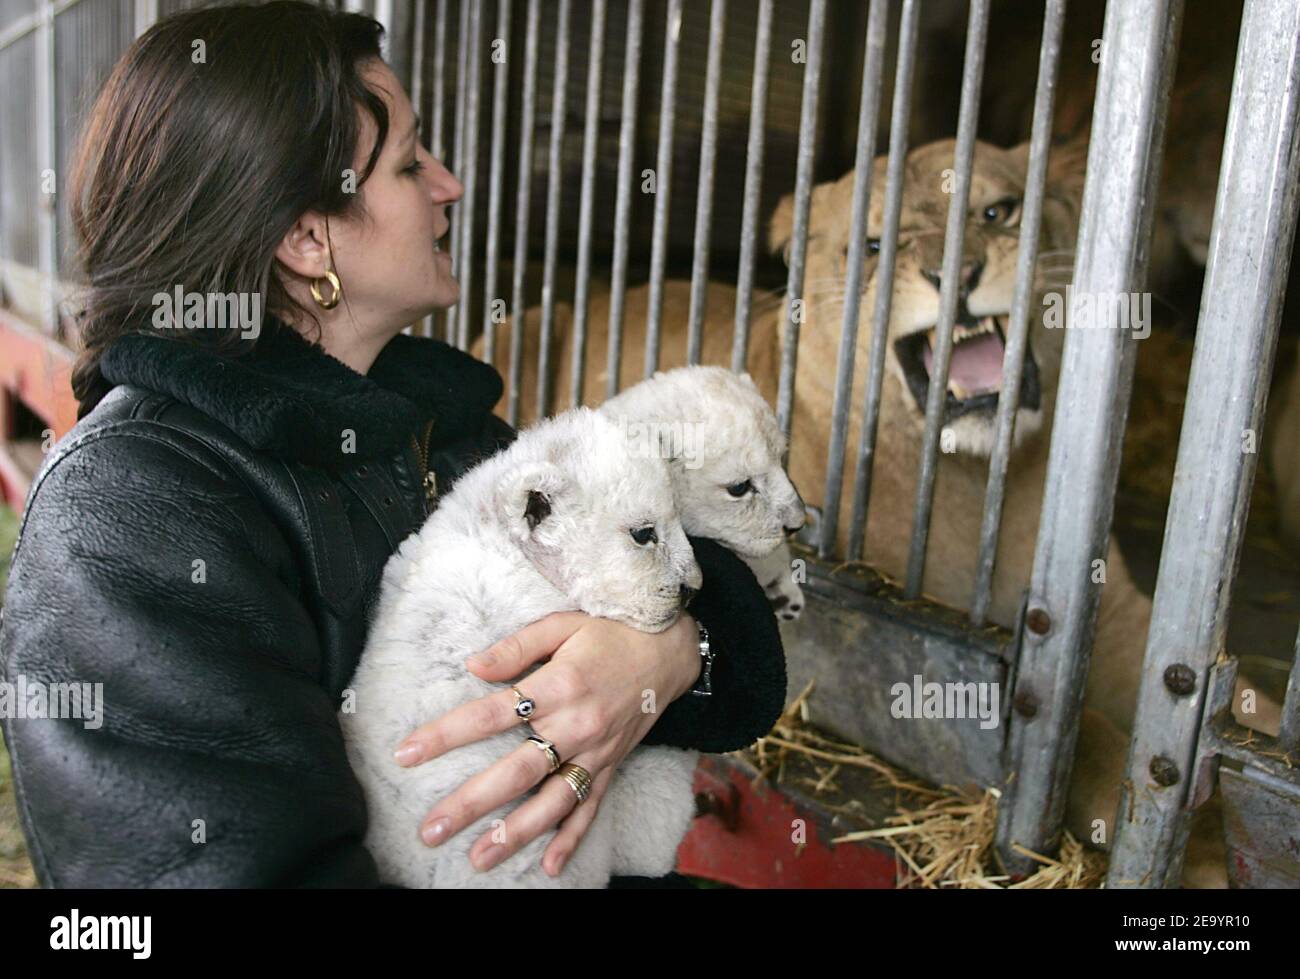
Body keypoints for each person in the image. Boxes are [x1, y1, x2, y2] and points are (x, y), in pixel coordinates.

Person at [0, 1, 785, 887]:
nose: (448, 185)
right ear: (306, 237)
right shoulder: (136, 507)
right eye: (412, 164)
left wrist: (666, 654)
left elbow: (714, 631)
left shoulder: (439, 424)